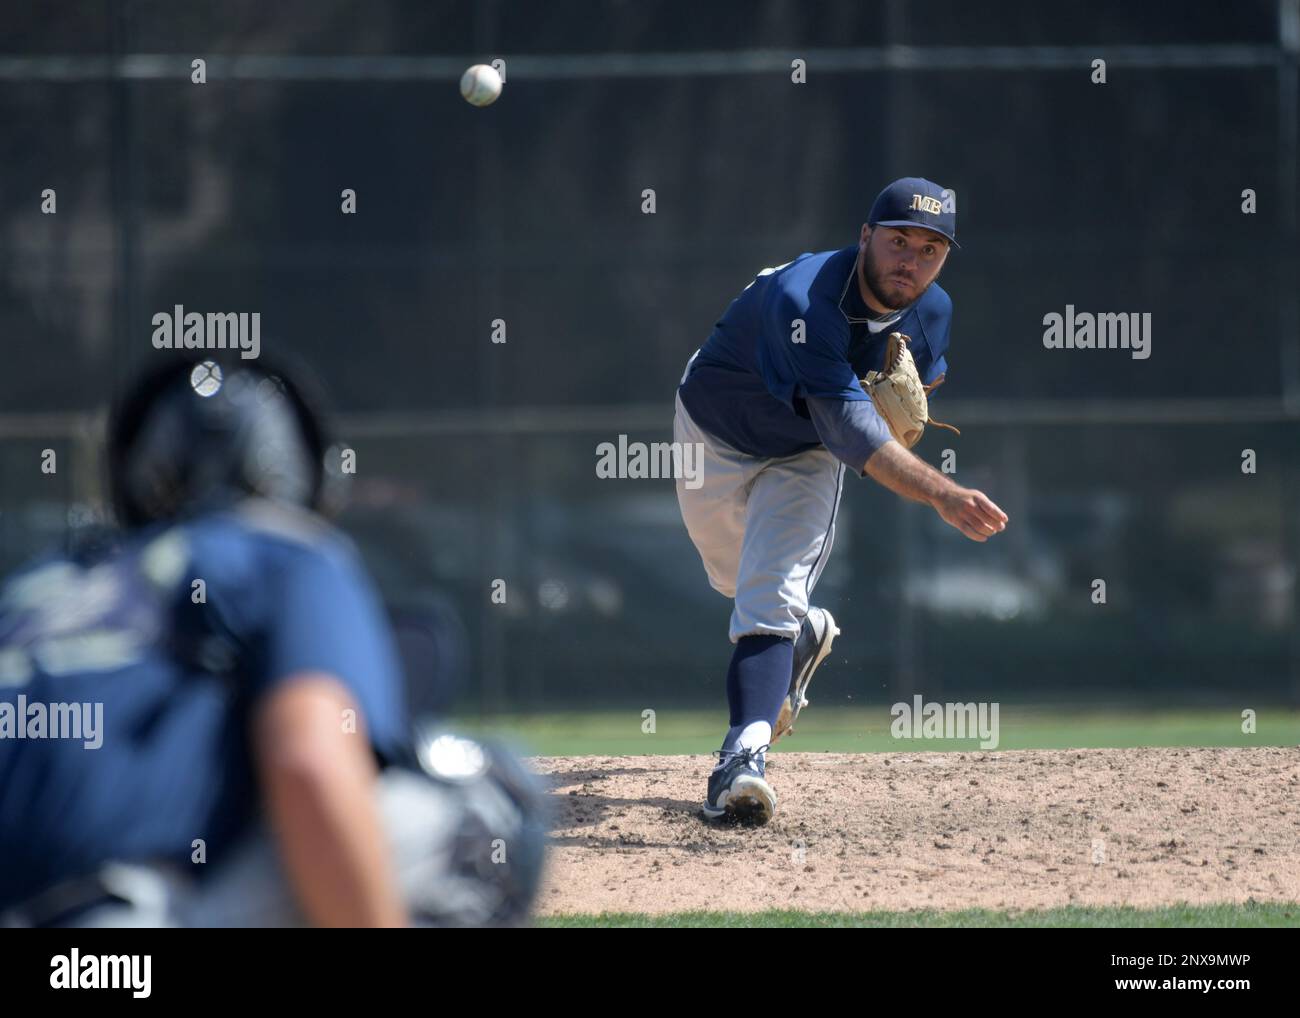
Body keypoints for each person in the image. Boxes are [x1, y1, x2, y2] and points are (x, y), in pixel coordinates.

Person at [0, 356, 543, 926]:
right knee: (493, 800)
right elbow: (309, 759)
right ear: (301, 472)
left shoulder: (43, 583)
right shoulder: (284, 551)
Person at [674, 177, 1009, 824]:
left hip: (805, 455)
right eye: (899, 241)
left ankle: (741, 759)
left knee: (766, 594)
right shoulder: (808, 299)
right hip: (711, 429)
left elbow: (910, 394)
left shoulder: (933, 310)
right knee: (731, 580)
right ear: (865, 237)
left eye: (931, 249)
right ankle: (799, 636)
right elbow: (854, 430)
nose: (911, 260)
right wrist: (941, 492)